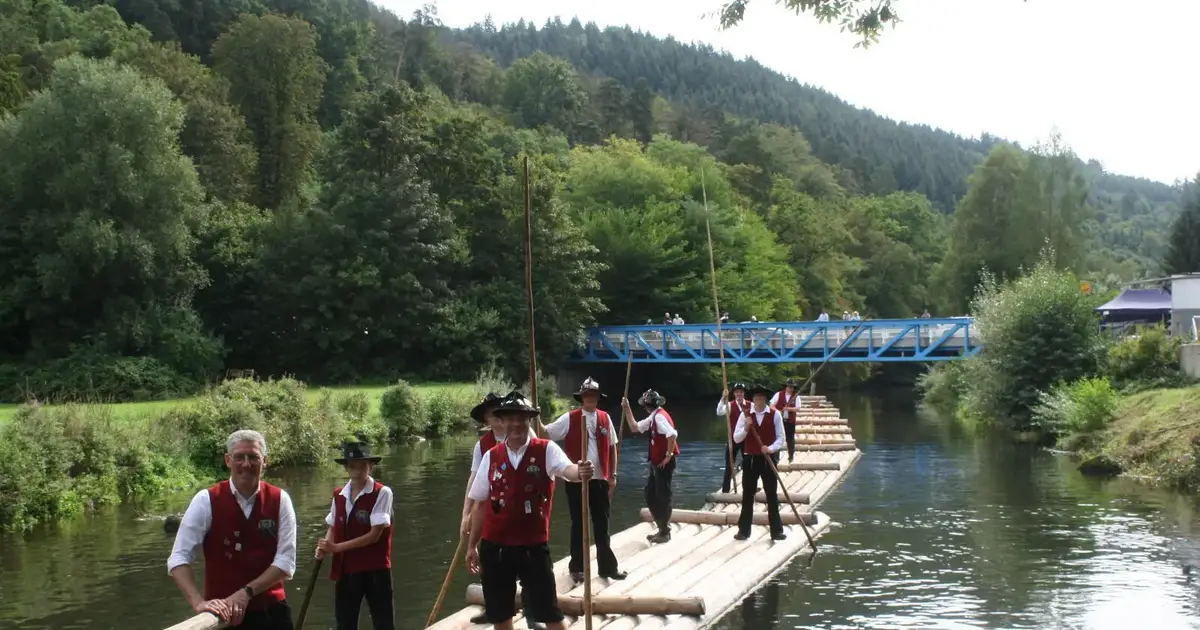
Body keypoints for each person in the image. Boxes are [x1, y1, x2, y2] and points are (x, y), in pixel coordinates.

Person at [465, 392, 596, 630]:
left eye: (522, 419)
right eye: (511, 418)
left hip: (532, 546)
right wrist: (472, 545)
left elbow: (568, 471)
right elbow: (480, 503)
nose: (516, 424)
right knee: (501, 615)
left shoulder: (546, 450)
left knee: (550, 612)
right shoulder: (490, 456)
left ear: (529, 422)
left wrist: (581, 471)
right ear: (502, 422)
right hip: (496, 547)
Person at [167, 429, 298, 630]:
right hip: (221, 617)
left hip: (271, 613)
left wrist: (245, 593)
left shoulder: (280, 500)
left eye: (253, 457)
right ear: (228, 460)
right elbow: (178, 558)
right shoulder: (206, 500)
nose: (246, 464)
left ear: (265, 461)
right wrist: (198, 602)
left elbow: (286, 562)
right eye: (239, 457)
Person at [544, 377, 625, 582]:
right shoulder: (569, 418)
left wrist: (612, 476)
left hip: (600, 480)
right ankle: (577, 567)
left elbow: (613, 447)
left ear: (598, 398)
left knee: (602, 524)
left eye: (594, 395)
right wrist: (535, 417)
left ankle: (607, 568)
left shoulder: (605, 418)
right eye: (587, 395)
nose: (591, 398)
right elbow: (545, 434)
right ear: (581, 398)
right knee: (578, 524)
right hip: (577, 480)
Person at [316, 442, 395, 630]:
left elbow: (374, 535)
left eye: (362, 465)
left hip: (375, 568)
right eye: (352, 466)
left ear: (370, 466)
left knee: (383, 622)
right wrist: (325, 546)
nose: (357, 470)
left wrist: (336, 548)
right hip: (346, 568)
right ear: (346, 467)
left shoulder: (382, 492)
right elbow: (334, 526)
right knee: (345, 623)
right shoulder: (339, 495)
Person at [619, 389, 679, 544]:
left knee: (662, 495)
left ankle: (665, 531)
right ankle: (662, 528)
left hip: (663, 463)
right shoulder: (655, 416)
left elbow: (672, 434)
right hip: (656, 463)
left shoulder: (659, 418)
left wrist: (668, 455)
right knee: (651, 493)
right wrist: (627, 409)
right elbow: (635, 427)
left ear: (646, 406)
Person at [732, 384, 786, 542]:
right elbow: (736, 438)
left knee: (771, 495)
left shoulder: (775, 414)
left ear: (765, 399)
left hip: (768, 459)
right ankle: (744, 531)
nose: (759, 400)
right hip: (750, 459)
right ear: (753, 400)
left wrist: (770, 449)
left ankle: (776, 531)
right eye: (756, 398)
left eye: (761, 398)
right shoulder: (745, 415)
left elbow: (781, 438)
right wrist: (746, 429)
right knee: (747, 495)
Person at [715, 382, 750, 493]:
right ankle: (726, 490)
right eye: (737, 392)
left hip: (747, 439)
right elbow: (719, 412)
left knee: (749, 465)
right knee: (729, 465)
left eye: (741, 392)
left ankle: (748, 489)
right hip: (732, 440)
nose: (739, 394)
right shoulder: (730, 405)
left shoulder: (750, 405)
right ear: (734, 393)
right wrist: (723, 398)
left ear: (744, 393)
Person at [770, 378, 800, 463]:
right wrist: (778, 411)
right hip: (780, 421)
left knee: (790, 440)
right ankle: (776, 458)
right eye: (789, 387)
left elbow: (798, 408)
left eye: (792, 387)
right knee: (777, 438)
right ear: (786, 387)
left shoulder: (796, 397)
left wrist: (788, 409)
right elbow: (771, 405)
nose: (790, 388)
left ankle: (791, 457)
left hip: (790, 421)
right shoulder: (778, 394)